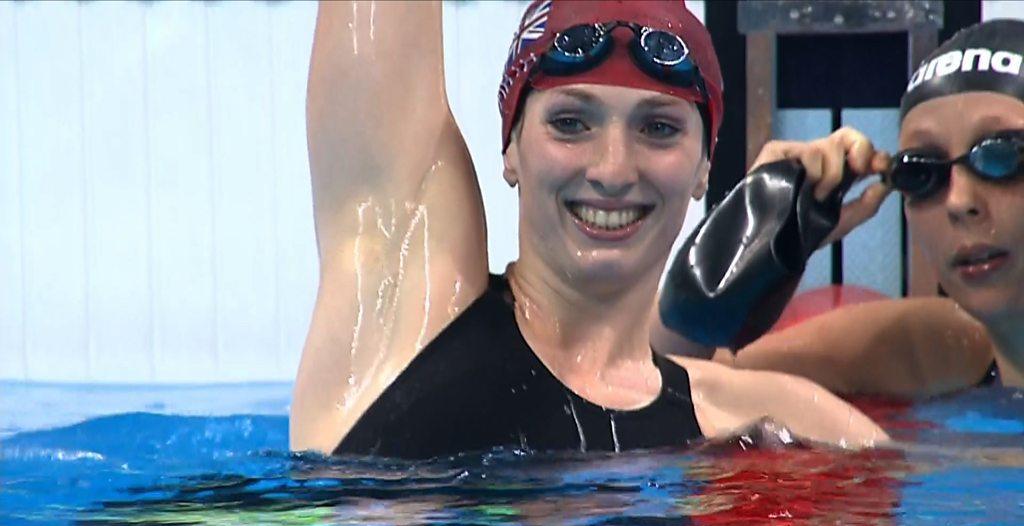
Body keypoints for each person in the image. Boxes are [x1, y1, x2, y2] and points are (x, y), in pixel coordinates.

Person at [290, 0, 890, 458]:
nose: (612, 170)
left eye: (658, 129)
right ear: (512, 149)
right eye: (571, 122)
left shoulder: (777, 424)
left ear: (706, 164)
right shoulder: (404, 323)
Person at [657, 19, 1021, 397]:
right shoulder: (945, 350)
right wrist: (754, 226)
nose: (959, 202)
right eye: (921, 172)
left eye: (1001, 156)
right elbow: (648, 385)